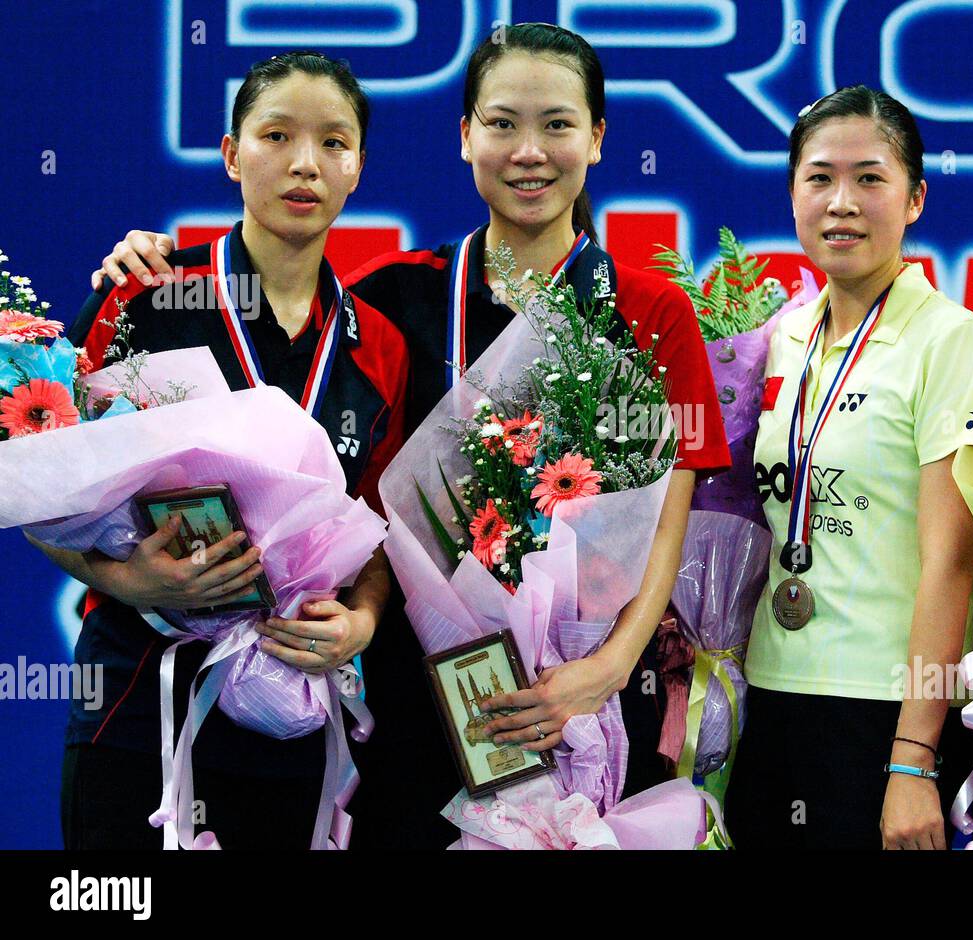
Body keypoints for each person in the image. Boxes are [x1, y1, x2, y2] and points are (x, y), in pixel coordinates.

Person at [93, 23, 730, 848]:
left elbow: (671, 512)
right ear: (465, 137)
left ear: (599, 140)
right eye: (501, 124)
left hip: (588, 694)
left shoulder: (651, 309)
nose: (529, 151)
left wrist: (608, 666)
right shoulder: (391, 299)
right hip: (417, 691)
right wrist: (150, 264)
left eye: (559, 125)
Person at [41, 50, 406, 849]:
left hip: (294, 716)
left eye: (334, 144)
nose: (305, 163)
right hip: (141, 703)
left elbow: (379, 526)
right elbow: (42, 486)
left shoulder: (376, 342)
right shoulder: (143, 294)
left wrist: (364, 623)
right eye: (276, 136)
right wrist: (124, 575)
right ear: (233, 154)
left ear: (358, 170)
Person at [722, 86, 973, 849]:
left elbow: (951, 564)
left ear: (915, 198)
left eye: (870, 178)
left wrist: (915, 761)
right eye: (819, 178)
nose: (842, 202)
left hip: (884, 713)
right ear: (792, 195)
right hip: (772, 694)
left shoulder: (950, 342)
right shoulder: (778, 341)